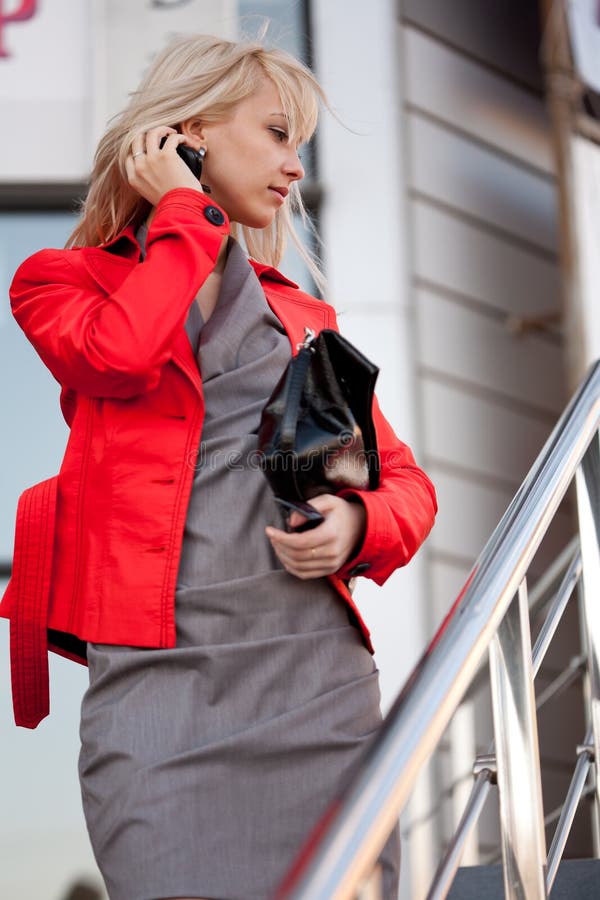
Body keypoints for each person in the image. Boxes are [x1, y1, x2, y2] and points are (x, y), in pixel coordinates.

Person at [1, 33, 437, 900]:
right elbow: (121, 356)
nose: (294, 167)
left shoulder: (302, 315)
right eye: (278, 134)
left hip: (313, 682)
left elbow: (408, 486)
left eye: (299, 146)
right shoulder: (59, 281)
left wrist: (358, 524)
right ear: (190, 132)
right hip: (156, 686)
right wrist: (186, 215)